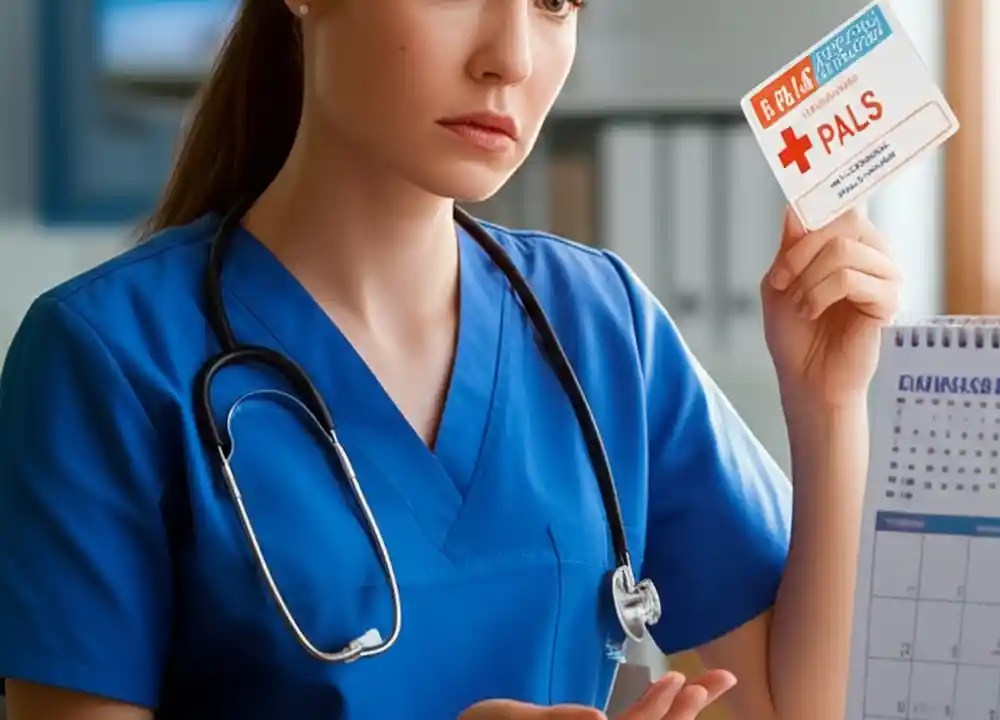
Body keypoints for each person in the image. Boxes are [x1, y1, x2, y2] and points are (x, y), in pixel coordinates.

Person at [0, 0, 902, 718]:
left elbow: (796, 707)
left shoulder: (602, 326)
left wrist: (828, 408)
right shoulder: (106, 360)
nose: (510, 56)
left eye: (555, 2)